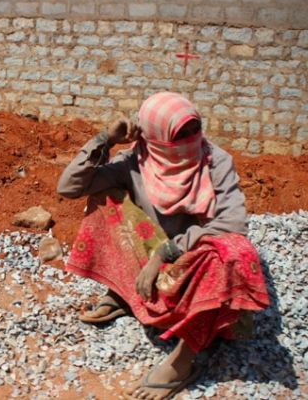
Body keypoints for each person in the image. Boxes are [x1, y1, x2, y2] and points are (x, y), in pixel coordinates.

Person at [57, 92, 270, 399]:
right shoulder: (134, 161)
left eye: (193, 129)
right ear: (152, 137)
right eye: (177, 135)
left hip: (194, 264)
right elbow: (69, 187)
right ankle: (125, 294)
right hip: (149, 259)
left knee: (234, 252)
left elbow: (233, 224)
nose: (189, 139)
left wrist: (167, 252)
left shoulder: (215, 160)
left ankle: (184, 360)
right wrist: (105, 139)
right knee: (105, 199)